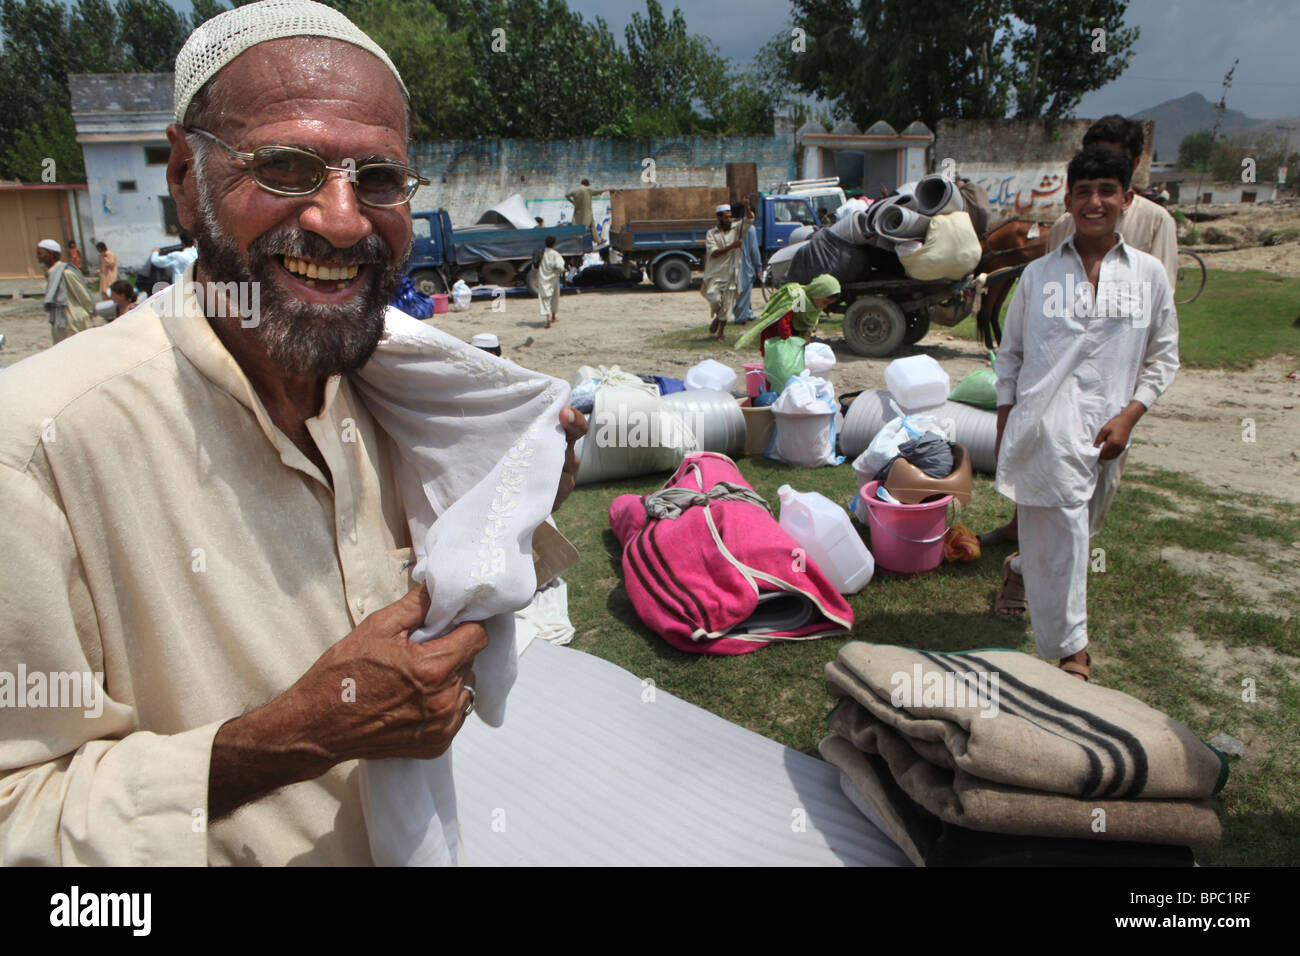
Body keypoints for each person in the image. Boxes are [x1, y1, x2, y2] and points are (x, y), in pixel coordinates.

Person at [0, 0, 585, 866]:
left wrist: (510, 500)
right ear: (184, 177)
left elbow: (438, 605)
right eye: (286, 168)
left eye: (378, 179)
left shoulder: (396, 392)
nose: (342, 219)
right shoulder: (37, 447)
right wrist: (295, 736)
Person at [991, 146, 1179, 680]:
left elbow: (1164, 356)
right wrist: (1006, 410)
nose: (1094, 202)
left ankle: (1020, 569)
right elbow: (1012, 354)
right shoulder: (1039, 276)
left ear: (1127, 198)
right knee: (1069, 535)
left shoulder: (1147, 277)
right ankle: (1072, 650)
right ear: (1068, 200)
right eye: (1083, 192)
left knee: (1081, 530)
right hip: (1046, 426)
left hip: (1108, 433)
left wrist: (1130, 416)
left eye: (1106, 191)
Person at [702, 202, 754, 342]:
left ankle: (720, 332)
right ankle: (717, 319)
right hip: (715, 274)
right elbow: (714, 253)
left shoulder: (736, 228)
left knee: (727, 305)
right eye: (726, 217)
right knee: (714, 298)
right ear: (718, 218)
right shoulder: (711, 234)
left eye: (730, 217)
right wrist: (733, 246)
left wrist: (747, 208)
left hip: (732, 273)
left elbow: (749, 220)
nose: (729, 220)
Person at [35, 238, 94, 344]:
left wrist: (89, 316)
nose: (38, 257)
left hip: (74, 321)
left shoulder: (66, 273)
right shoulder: (52, 274)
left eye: (40, 254)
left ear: (51, 254)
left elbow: (84, 297)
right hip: (60, 321)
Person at [732, 197, 762, 325]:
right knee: (743, 291)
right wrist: (759, 267)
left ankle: (748, 313)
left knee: (744, 291)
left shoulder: (732, 228)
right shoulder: (750, 229)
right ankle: (740, 318)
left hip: (735, 262)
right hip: (745, 263)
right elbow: (754, 250)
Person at [536, 234, 565, 329]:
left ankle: (548, 318)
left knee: (545, 298)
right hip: (553, 278)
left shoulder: (541, 253)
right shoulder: (556, 254)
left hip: (543, 279)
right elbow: (560, 266)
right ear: (554, 244)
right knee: (555, 297)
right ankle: (553, 317)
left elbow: (535, 265)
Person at [565, 179, 605, 244]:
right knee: (591, 226)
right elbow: (597, 191)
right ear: (587, 184)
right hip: (587, 213)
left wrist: (572, 202)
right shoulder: (588, 189)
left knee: (578, 227)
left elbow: (567, 195)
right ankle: (598, 241)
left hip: (577, 213)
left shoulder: (575, 190)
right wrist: (606, 190)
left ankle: (596, 240)